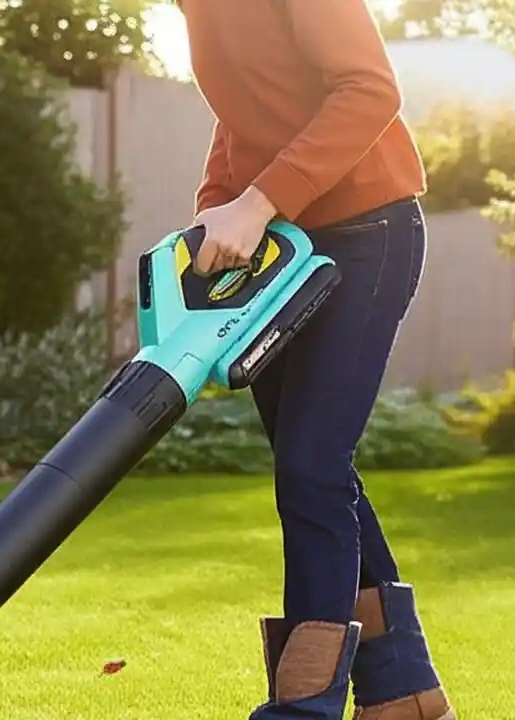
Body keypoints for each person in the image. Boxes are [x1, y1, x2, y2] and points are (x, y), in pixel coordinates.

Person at [177, 1, 454, 719]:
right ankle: (404, 692)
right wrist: (219, 204)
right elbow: (243, 115)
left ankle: (303, 709)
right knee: (317, 471)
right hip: (281, 251)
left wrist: (258, 200)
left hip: (369, 233)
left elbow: (369, 89)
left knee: (311, 465)